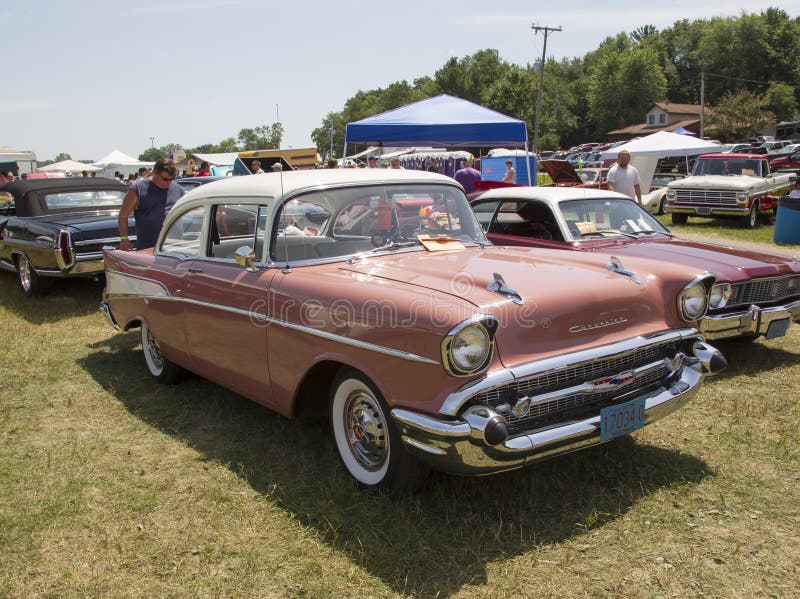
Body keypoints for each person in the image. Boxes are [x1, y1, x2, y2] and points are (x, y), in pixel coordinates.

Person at [118, 158, 185, 251]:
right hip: (147, 250)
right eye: (165, 179)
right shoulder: (137, 190)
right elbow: (123, 216)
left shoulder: (179, 190)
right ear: (155, 173)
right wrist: (124, 239)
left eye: (171, 179)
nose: (168, 182)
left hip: (175, 248)